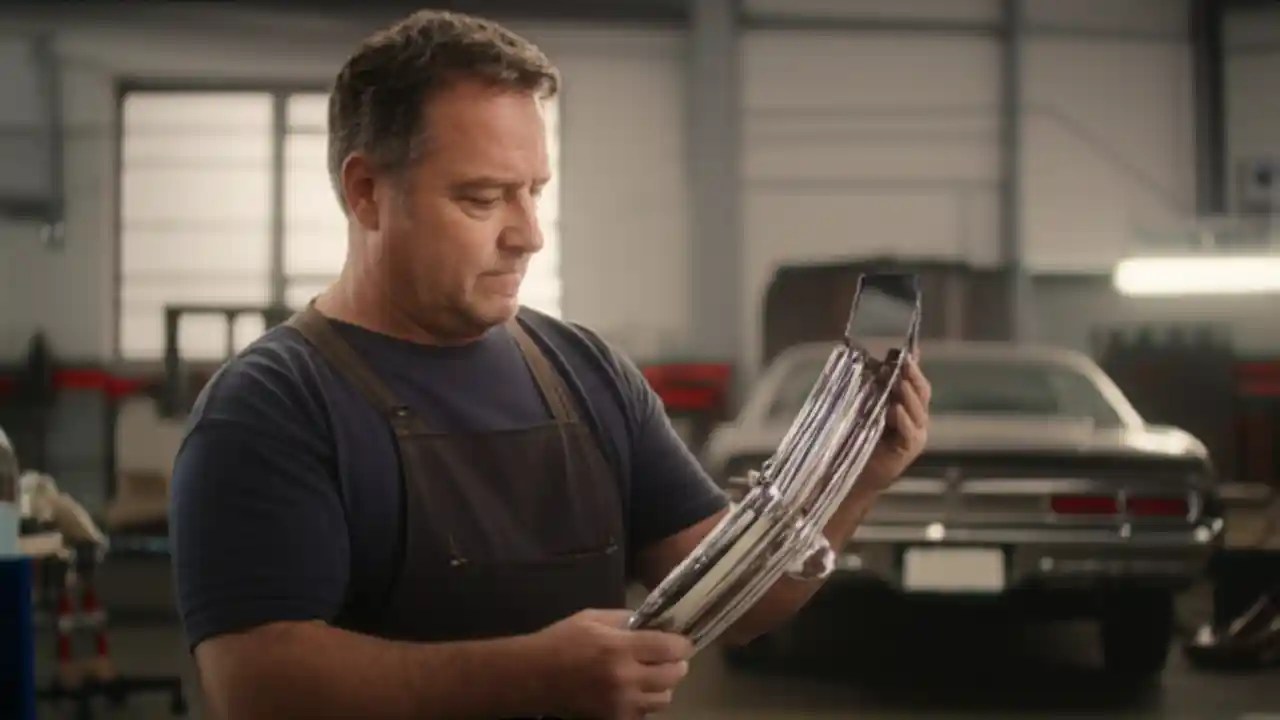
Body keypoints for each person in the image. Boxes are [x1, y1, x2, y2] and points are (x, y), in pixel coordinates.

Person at [169, 9, 932, 720]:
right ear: (367, 192)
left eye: (534, 192)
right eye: (483, 199)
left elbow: (736, 605)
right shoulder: (272, 406)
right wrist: (529, 675)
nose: (529, 234)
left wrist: (857, 481)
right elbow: (255, 682)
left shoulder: (586, 369)